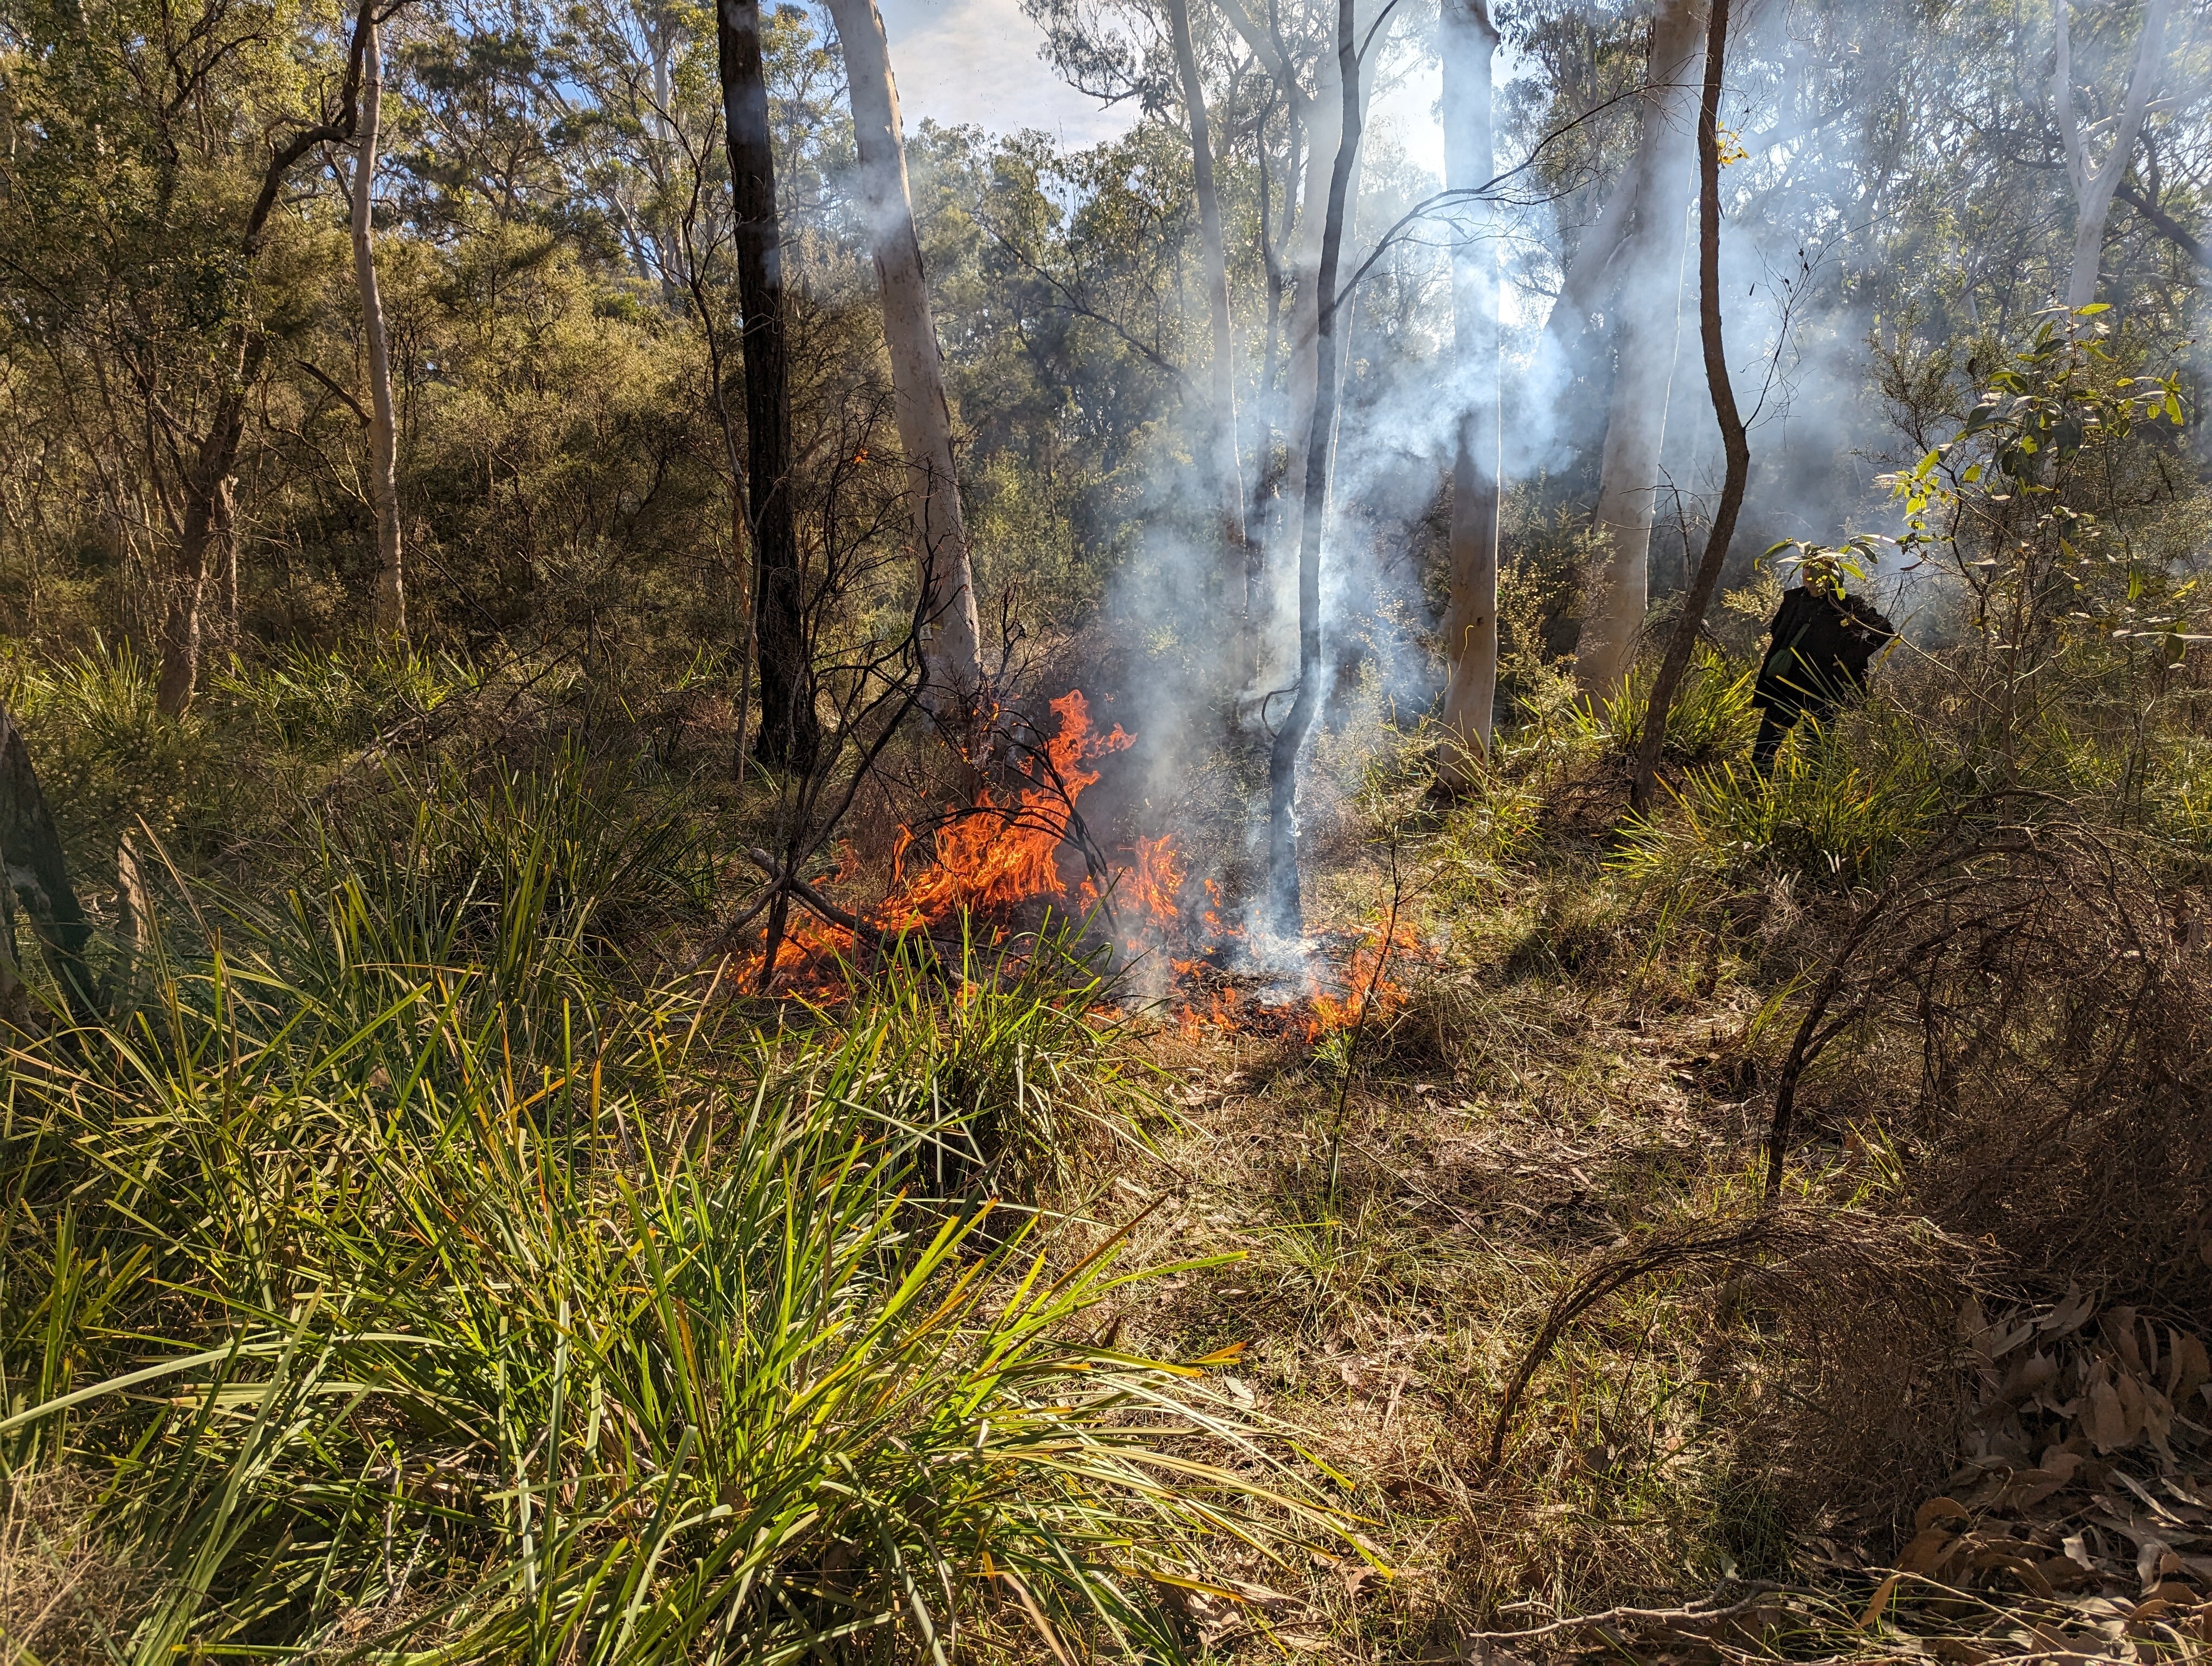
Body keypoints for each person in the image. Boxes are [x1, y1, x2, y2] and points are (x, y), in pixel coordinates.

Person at [1750, 580, 1896, 771]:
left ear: (1830, 575)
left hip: (1824, 690)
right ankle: (1755, 793)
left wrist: (1849, 658)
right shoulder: (1794, 599)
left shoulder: (1847, 603)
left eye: (1817, 569)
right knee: (1765, 746)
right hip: (1786, 686)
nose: (1809, 574)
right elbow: (1777, 629)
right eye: (1807, 568)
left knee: (1817, 752)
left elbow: (1883, 630)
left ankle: (1811, 797)